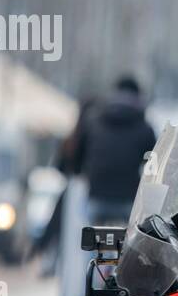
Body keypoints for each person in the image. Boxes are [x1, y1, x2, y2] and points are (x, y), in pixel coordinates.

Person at [65, 76, 156, 226]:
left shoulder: (94, 121)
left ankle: (94, 250)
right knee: (129, 244)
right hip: (128, 199)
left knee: (94, 240)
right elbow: (153, 167)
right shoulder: (145, 128)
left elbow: (78, 158)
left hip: (97, 195)